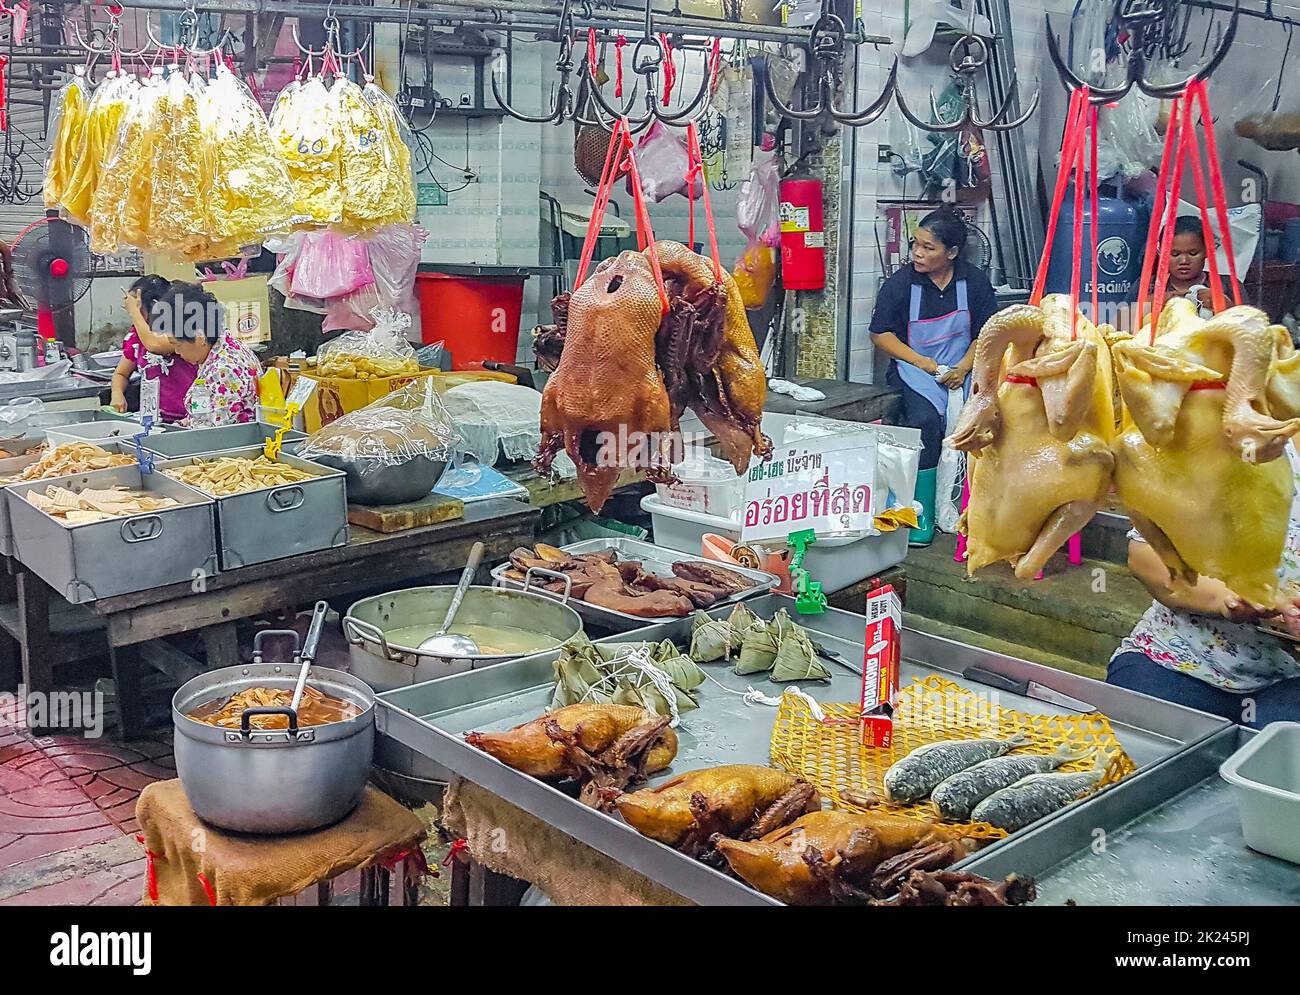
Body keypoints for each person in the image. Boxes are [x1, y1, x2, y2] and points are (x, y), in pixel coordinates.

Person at [1108, 445, 1300, 727]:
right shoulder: (1232, 437)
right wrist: (1226, 598)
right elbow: (1145, 555)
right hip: (1178, 660)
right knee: (1145, 758)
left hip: (1289, 681)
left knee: (1274, 763)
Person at [868, 206, 997, 545]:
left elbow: (985, 333)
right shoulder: (901, 284)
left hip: (962, 369)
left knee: (983, 424)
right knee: (925, 421)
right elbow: (881, 334)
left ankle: (967, 508)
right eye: (915, 244)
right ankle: (919, 515)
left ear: (951, 253)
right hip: (916, 371)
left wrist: (964, 369)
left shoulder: (974, 282)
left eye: (928, 247)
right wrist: (924, 363)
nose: (918, 253)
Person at [155, 281, 261, 427]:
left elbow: (213, 432)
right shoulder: (222, 346)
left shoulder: (225, 369)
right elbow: (203, 412)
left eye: (177, 345)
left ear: (200, 337)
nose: (177, 352)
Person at [110, 275, 199, 422]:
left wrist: (134, 313)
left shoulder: (179, 330)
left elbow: (155, 345)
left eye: (138, 305)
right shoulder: (136, 335)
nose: (132, 310)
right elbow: (120, 374)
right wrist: (117, 393)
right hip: (154, 419)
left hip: (189, 418)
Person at [1160, 215, 1234, 318]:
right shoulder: (1150, 286)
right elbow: (1129, 323)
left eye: (1193, 253)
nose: (1184, 261)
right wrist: (1152, 305)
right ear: (1162, 253)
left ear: (1208, 251)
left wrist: (1227, 306)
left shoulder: (1228, 285)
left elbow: (1252, 326)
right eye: (1175, 254)